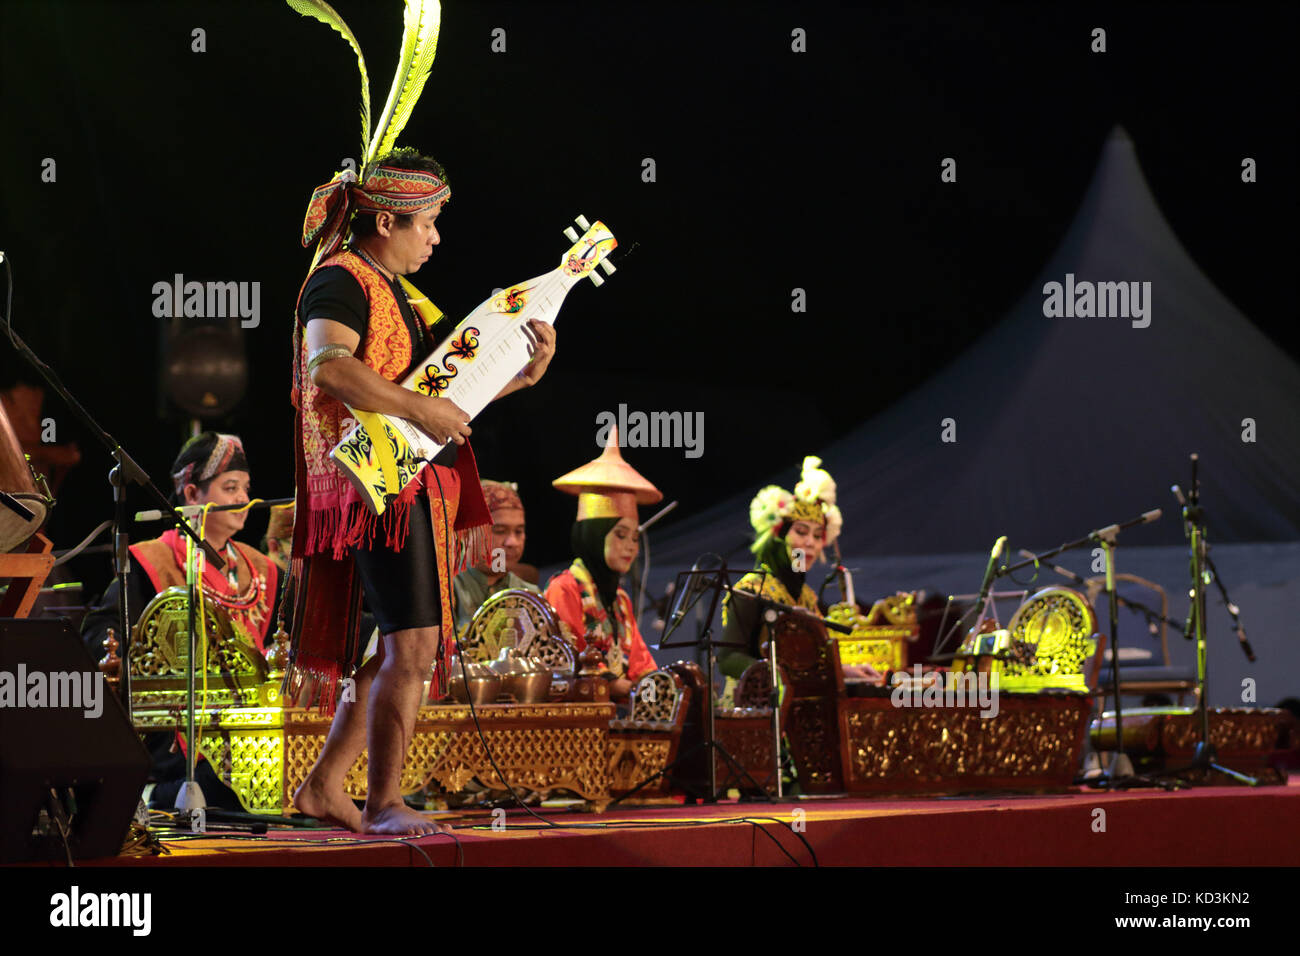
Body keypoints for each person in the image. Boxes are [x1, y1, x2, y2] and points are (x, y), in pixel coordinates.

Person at [286, 148, 557, 835]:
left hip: (396, 482)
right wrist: (416, 410)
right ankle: (384, 804)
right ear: (384, 219)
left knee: (400, 646)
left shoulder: (391, 293)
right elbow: (331, 369)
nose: (435, 237)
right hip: (372, 487)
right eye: (429, 222)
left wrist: (523, 375)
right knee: (414, 645)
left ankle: (323, 787)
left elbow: (445, 397)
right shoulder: (340, 281)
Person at [81, 431, 279, 810]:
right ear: (192, 496)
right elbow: (99, 636)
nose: (243, 499)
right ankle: (155, 794)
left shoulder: (261, 568)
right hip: (176, 729)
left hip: (252, 721)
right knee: (229, 787)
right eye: (231, 487)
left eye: (246, 488)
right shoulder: (152, 562)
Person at [720, 456, 877, 682]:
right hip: (755, 709)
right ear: (778, 536)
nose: (810, 543)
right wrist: (780, 678)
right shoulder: (751, 590)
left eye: (817, 535)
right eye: (801, 532)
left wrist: (846, 671)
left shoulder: (806, 597)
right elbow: (728, 659)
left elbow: (811, 662)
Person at [545, 428, 659, 705]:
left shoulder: (620, 600)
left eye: (634, 537)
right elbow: (569, 662)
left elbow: (642, 663)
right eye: (620, 535)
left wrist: (659, 683)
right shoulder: (565, 589)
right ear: (594, 536)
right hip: (577, 717)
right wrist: (624, 687)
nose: (631, 546)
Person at [452, 480, 540, 636]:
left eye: (519, 531)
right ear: (467, 533)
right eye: (499, 531)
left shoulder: (531, 596)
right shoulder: (446, 590)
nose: (512, 542)